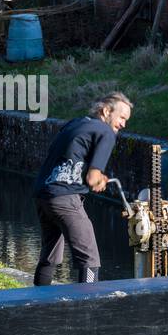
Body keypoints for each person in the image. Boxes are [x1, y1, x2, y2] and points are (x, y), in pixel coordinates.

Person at [32, 91, 132, 286]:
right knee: (90, 258)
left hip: (43, 193)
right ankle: (88, 308)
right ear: (106, 111)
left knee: (50, 255)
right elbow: (93, 178)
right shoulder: (105, 132)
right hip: (65, 197)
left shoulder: (75, 123)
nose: (123, 124)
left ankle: (37, 303)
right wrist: (101, 180)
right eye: (121, 117)